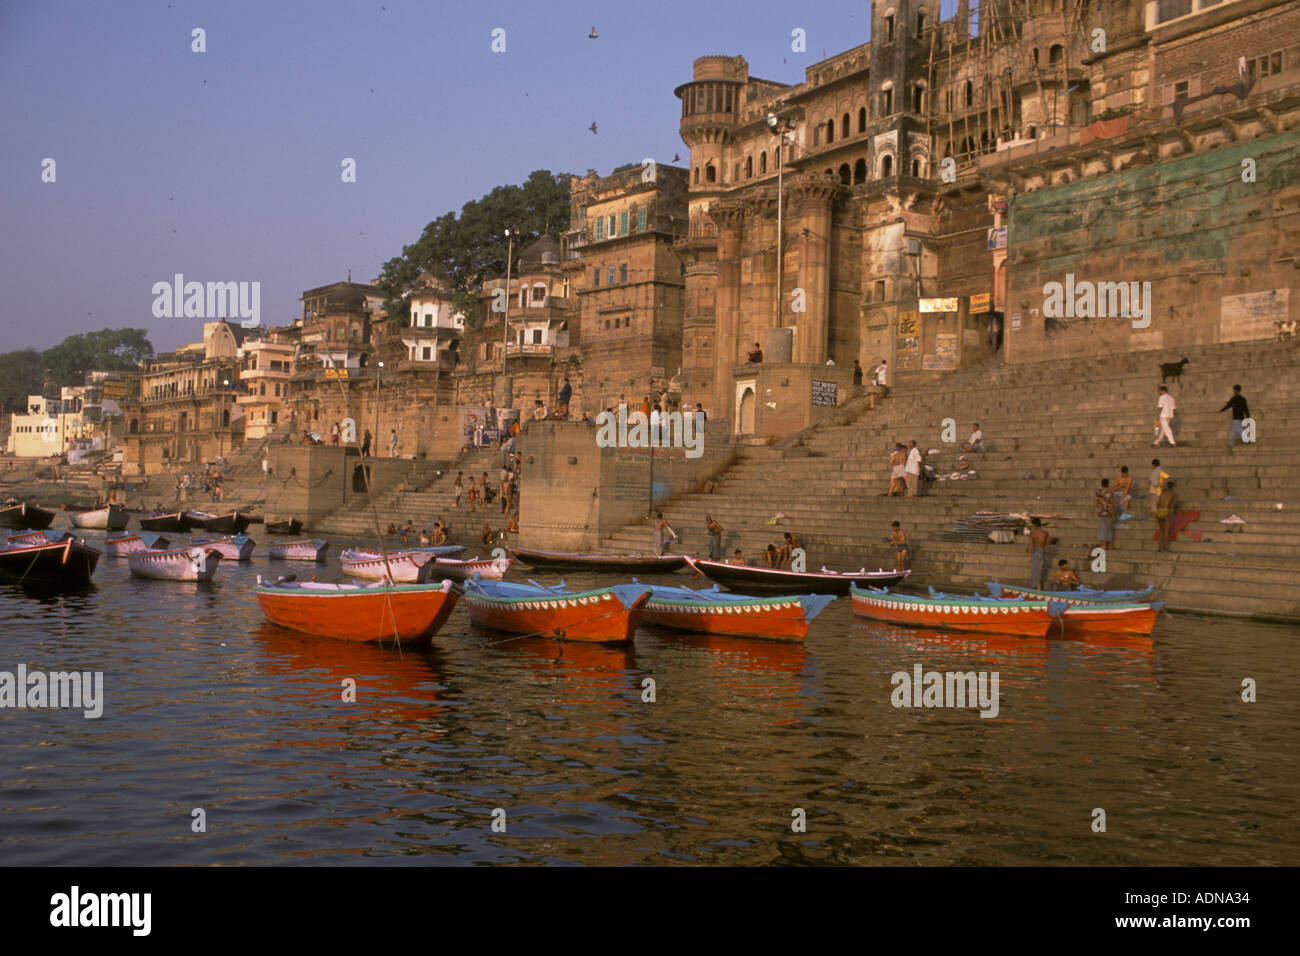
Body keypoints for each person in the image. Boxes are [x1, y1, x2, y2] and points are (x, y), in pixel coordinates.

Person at [1156, 479, 1179, 552]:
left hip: (1159, 511)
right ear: (1172, 487)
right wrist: (1175, 511)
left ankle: (1159, 547)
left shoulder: (1162, 494)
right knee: (1166, 531)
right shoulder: (1173, 494)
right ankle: (1165, 547)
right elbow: (1175, 504)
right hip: (1166, 512)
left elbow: (1158, 503)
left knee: (1160, 530)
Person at [1028, 517, 1050, 588]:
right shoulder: (1045, 533)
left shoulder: (1032, 533)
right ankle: (1038, 587)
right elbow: (1047, 543)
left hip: (1035, 551)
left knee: (1034, 570)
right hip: (1042, 550)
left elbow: (1031, 545)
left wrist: (1029, 556)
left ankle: (1037, 586)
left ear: (1034, 524)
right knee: (1039, 570)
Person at [1095, 478, 1116, 550]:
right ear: (1108, 484)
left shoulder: (1098, 491)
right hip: (1108, 512)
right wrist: (1113, 513)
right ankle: (1110, 545)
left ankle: (1103, 545)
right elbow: (1112, 503)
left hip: (1101, 512)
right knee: (1108, 528)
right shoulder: (1110, 492)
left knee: (1102, 528)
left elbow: (1096, 501)